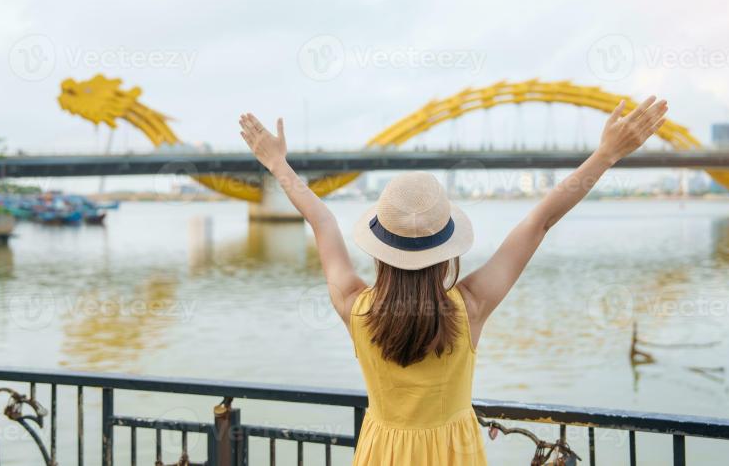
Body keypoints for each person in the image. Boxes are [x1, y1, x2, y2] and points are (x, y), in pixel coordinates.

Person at [239, 95, 668, 465]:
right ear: (446, 251)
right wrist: (606, 154)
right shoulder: (469, 308)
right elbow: (539, 222)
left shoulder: (355, 307)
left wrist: (277, 163)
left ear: (380, 249)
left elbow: (322, 221)